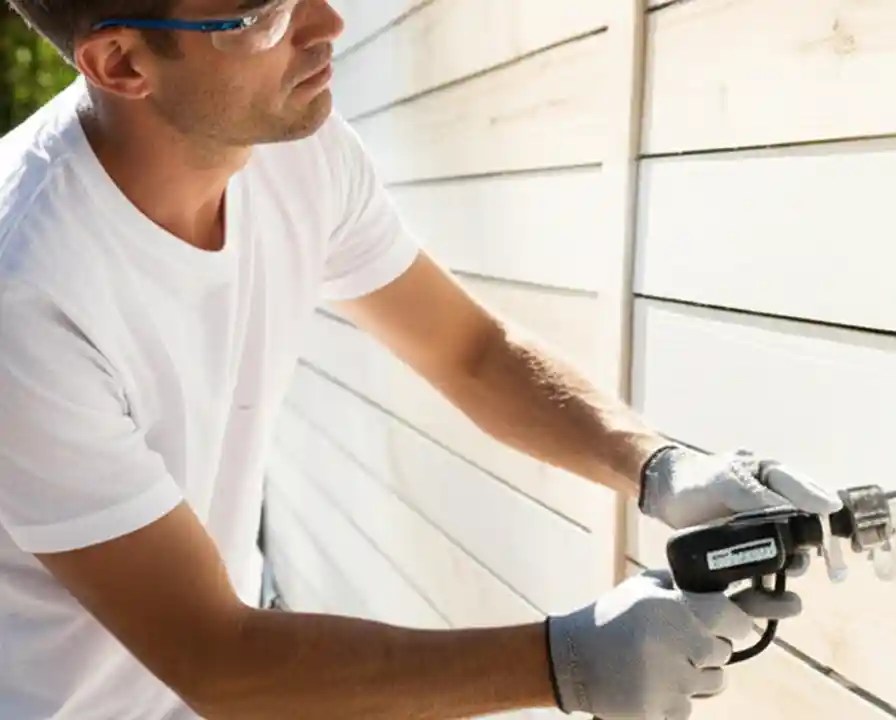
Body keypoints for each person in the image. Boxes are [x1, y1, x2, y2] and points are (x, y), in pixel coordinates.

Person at [0, 1, 843, 718]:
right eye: (266, 14)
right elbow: (219, 660)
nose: (328, 23)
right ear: (122, 63)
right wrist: (567, 661)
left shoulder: (295, 150)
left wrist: (658, 467)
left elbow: (470, 352)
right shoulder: (28, 297)